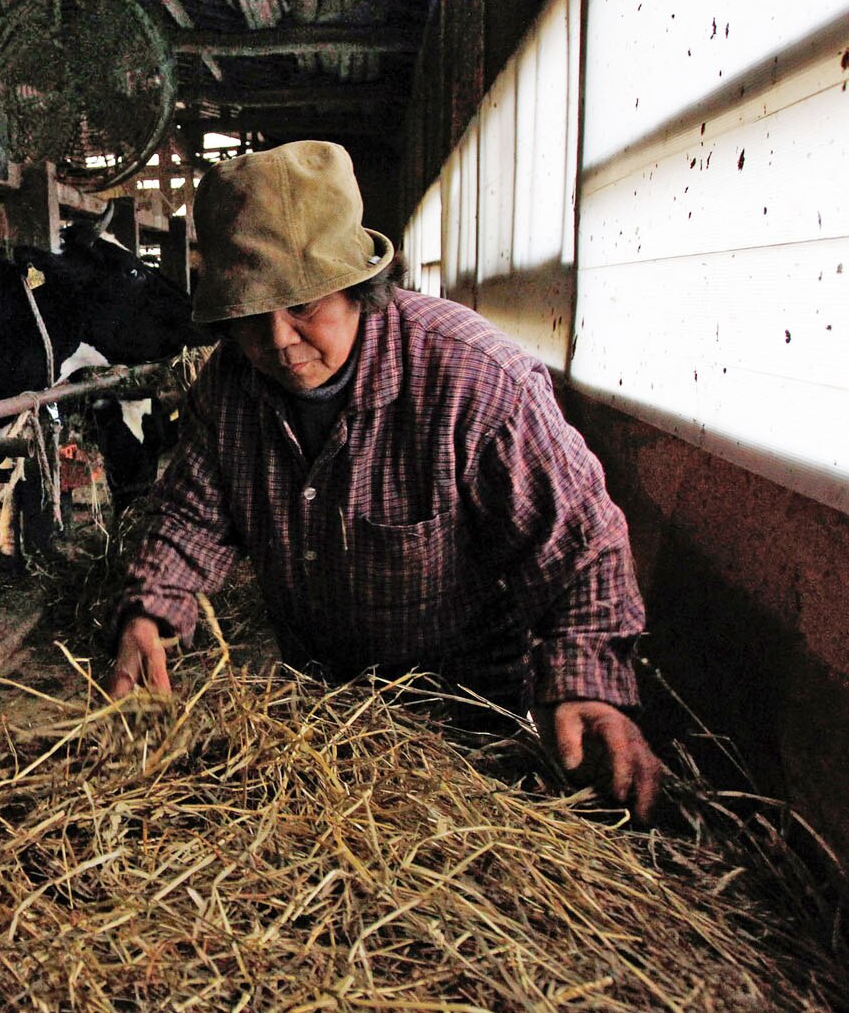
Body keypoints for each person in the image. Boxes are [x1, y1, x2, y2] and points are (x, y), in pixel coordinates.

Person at [107, 140, 663, 820]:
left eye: (302, 305)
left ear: (359, 288)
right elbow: (192, 515)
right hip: (320, 722)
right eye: (250, 316)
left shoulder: (476, 382)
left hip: (471, 729)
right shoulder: (230, 388)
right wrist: (150, 610)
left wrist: (587, 683)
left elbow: (577, 544)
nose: (277, 340)